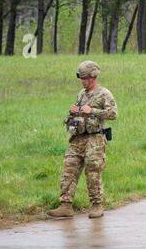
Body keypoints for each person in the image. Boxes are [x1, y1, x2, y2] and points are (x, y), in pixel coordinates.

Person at [47, 61, 118, 219]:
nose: (83, 81)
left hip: (95, 138)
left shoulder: (104, 93)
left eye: (85, 78)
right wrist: (74, 112)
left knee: (93, 172)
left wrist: (91, 110)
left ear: (93, 77)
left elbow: (113, 113)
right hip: (78, 138)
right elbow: (78, 114)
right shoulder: (81, 94)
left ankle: (97, 205)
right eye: (81, 78)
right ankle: (65, 205)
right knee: (69, 169)